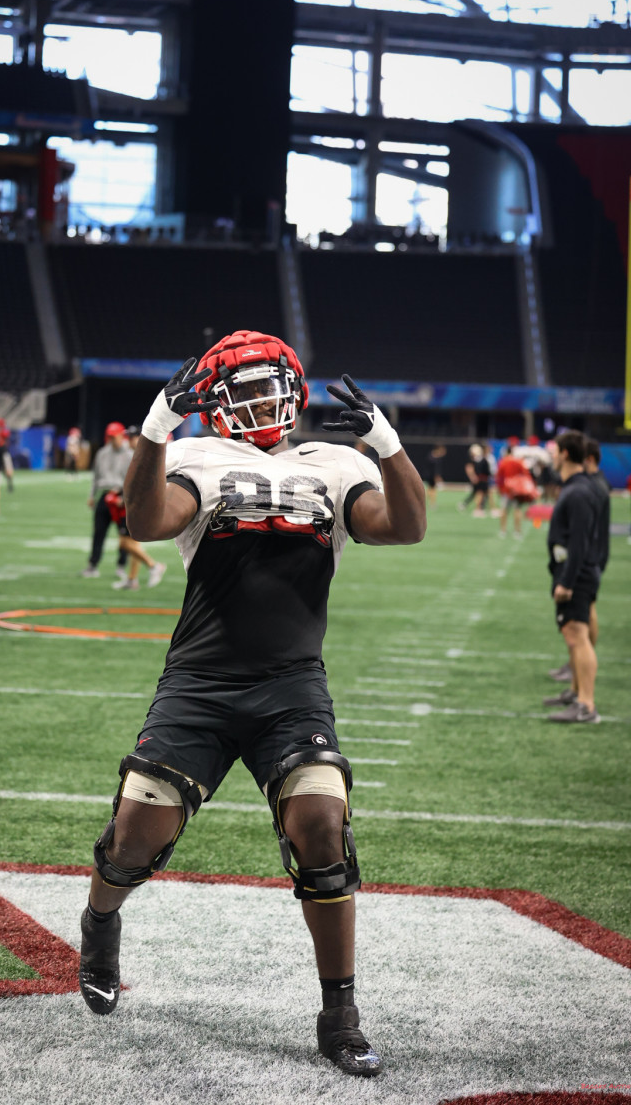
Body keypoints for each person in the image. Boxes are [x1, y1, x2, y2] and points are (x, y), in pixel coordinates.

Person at [77, 329, 426, 1078]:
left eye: (271, 385)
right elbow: (144, 523)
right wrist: (154, 431)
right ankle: (101, 918)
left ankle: (340, 1014)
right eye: (243, 390)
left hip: (292, 683)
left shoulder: (336, 463)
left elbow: (407, 526)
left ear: (295, 390)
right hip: (201, 683)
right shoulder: (198, 456)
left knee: (323, 826)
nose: (262, 401)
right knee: (136, 837)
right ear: (216, 406)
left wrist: (388, 443)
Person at [543, 437, 610, 712]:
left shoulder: (580, 491)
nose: (552, 456)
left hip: (577, 576)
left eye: (555, 451)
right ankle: (576, 692)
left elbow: (580, 543)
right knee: (573, 634)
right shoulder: (576, 487)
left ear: (565, 453)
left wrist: (567, 582)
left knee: (577, 636)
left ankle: (586, 704)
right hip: (576, 572)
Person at [81, 422, 166, 589]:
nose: (129, 440)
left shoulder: (140, 455)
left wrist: (125, 497)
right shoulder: (135, 453)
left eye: (133, 437)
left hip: (130, 500)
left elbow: (142, 482)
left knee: (126, 542)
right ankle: (132, 579)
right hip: (121, 498)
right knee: (131, 541)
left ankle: (154, 566)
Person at [495, 444, 537, 538]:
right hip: (517, 491)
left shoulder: (503, 462)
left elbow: (499, 477)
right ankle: (517, 531)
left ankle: (503, 531)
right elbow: (526, 475)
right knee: (517, 510)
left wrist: (500, 489)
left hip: (506, 490)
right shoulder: (519, 462)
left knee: (504, 510)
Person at [458, 444, 490, 516]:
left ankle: (479, 507)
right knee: (479, 494)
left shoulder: (480, 459)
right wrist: (473, 477)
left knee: (479, 494)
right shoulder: (477, 460)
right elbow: (470, 468)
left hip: (481, 479)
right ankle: (478, 508)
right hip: (480, 479)